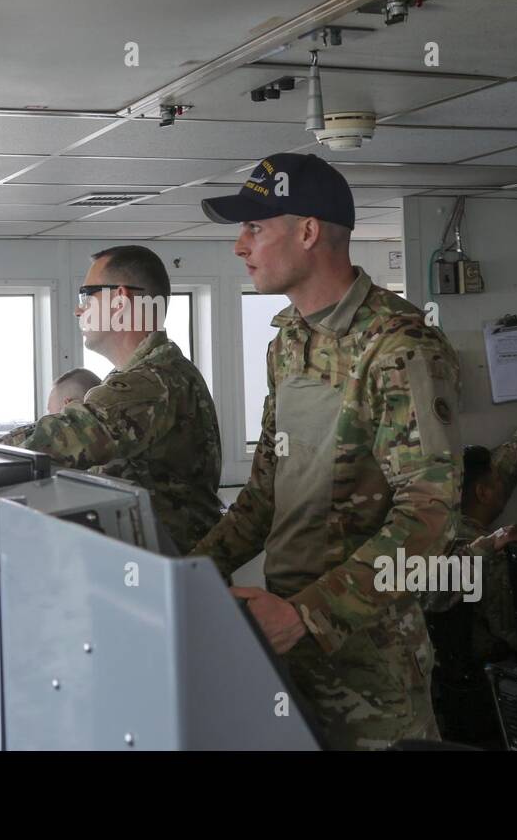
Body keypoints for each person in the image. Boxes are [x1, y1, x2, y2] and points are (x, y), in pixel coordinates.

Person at [190, 153, 462, 750]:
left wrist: (308, 615)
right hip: (282, 641)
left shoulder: (400, 345)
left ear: (308, 231)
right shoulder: (288, 341)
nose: (240, 245)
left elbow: (432, 513)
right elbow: (265, 491)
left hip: (370, 660)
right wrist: (186, 576)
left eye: (255, 227)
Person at [0, 246, 223, 554]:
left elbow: (62, 438)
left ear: (119, 301)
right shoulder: (149, 374)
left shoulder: (153, 382)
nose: (78, 310)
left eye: (87, 296)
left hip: (170, 578)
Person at [425, 386, 517, 662]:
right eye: (497, 481)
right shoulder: (493, 557)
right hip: (486, 674)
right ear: (483, 493)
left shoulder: (431, 530)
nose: (504, 482)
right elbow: (512, 633)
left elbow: (505, 465)